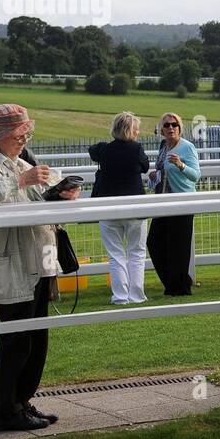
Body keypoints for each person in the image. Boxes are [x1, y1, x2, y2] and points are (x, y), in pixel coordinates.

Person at [0, 104, 81, 431]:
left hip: (37, 263)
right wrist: (21, 180)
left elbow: (45, 192)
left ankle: (21, 401)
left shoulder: (21, 162)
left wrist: (63, 193)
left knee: (36, 338)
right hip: (11, 265)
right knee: (16, 341)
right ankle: (5, 411)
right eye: (19, 133)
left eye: (26, 132)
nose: (25, 138)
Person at [90, 112, 150, 305]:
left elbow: (92, 151)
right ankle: (136, 295)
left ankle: (120, 296)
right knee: (137, 253)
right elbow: (145, 167)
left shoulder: (104, 150)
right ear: (131, 130)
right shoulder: (137, 149)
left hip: (108, 206)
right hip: (135, 207)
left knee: (115, 254)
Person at [146, 112, 200, 296]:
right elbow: (161, 171)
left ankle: (180, 288)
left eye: (174, 125)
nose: (171, 128)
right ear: (161, 129)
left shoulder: (187, 147)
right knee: (154, 242)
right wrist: (154, 176)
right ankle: (174, 283)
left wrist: (181, 166)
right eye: (167, 125)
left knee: (179, 246)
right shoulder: (163, 146)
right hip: (163, 202)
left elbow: (196, 176)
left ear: (180, 127)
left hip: (182, 201)